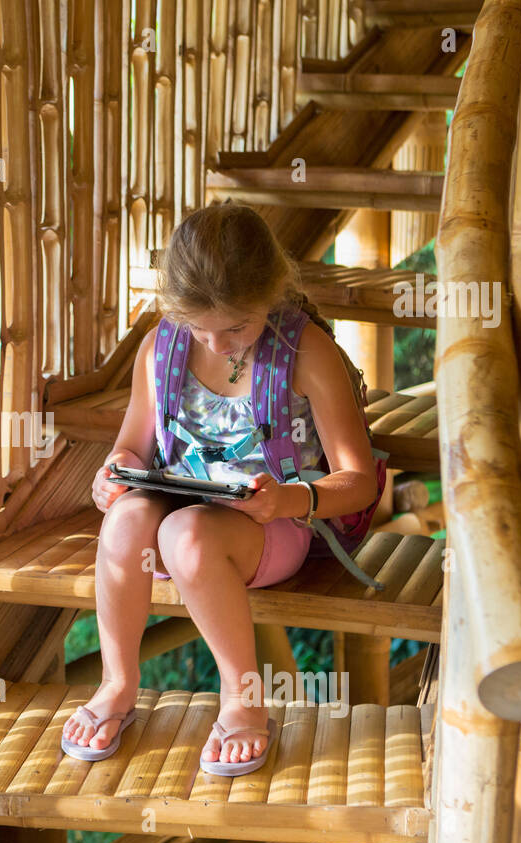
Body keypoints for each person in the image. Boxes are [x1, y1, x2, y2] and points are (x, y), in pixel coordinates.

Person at [61, 201, 378, 770]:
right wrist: (112, 474)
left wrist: (290, 498)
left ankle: (243, 698)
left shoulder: (305, 353)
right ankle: (117, 684)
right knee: (127, 518)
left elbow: (357, 482)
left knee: (188, 534)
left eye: (237, 327)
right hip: (180, 512)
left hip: (273, 525)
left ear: (270, 294)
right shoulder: (163, 347)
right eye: (199, 330)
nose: (218, 345)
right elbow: (131, 447)